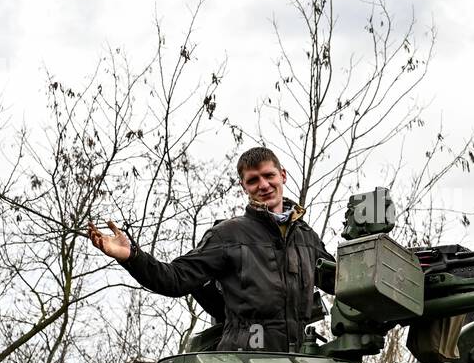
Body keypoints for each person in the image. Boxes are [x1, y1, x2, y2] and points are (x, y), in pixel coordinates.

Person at [87, 146, 334, 352]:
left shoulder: (306, 238)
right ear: (244, 187)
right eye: (253, 180)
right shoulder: (228, 235)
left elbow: (342, 282)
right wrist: (132, 256)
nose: (264, 185)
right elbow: (175, 279)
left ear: (283, 175)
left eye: (269, 176)